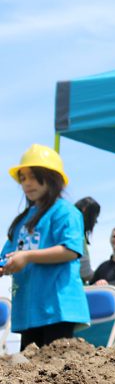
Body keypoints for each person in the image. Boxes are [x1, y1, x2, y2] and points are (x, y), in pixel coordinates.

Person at [1, 144, 90, 349]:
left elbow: (70, 250)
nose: (27, 183)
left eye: (33, 176)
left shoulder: (65, 212)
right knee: (30, 373)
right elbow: (7, 254)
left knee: (57, 371)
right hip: (27, 309)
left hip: (57, 308)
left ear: (52, 178)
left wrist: (28, 256)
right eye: (22, 178)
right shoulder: (23, 220)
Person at [75, 196, 101, 283]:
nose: (95, 221)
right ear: (84, 210)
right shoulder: (76, 232)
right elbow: (84, 272)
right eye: (94, 217)